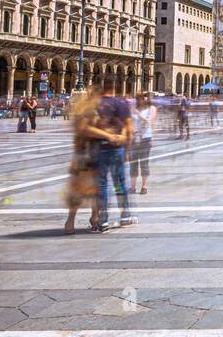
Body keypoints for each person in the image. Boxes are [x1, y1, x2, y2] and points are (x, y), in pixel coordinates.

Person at [63, 88, 118, 234]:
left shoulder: (92, 110)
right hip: (88, 152)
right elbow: (84, 129)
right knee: (85, 187)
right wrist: (108, 135)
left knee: (94, 187)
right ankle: (77, 220)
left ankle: (88, 219)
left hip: (90, 151)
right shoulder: (89, 111)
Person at [94, 82, 135, 230]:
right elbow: (129, 128)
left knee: (102, 185)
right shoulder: (121, 104)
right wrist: (127, 149)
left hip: (100, 148)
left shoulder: (95, 105)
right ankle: (125, 216)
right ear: (114, 87)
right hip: (117, 149)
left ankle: (103, 220)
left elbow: (88, 127)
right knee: (119, 183)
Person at [129, 93, 156, 195]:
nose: (139, 101)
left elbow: (148, 122)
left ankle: (144, 186)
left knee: (144, 164)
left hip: (145, 138)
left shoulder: (151, 109)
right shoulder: (133, 108)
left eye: (141, 98)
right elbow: (130, 122)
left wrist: (138, 114)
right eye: (137, 99)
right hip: (134, 138)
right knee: (133, 164)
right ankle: (133, 187)